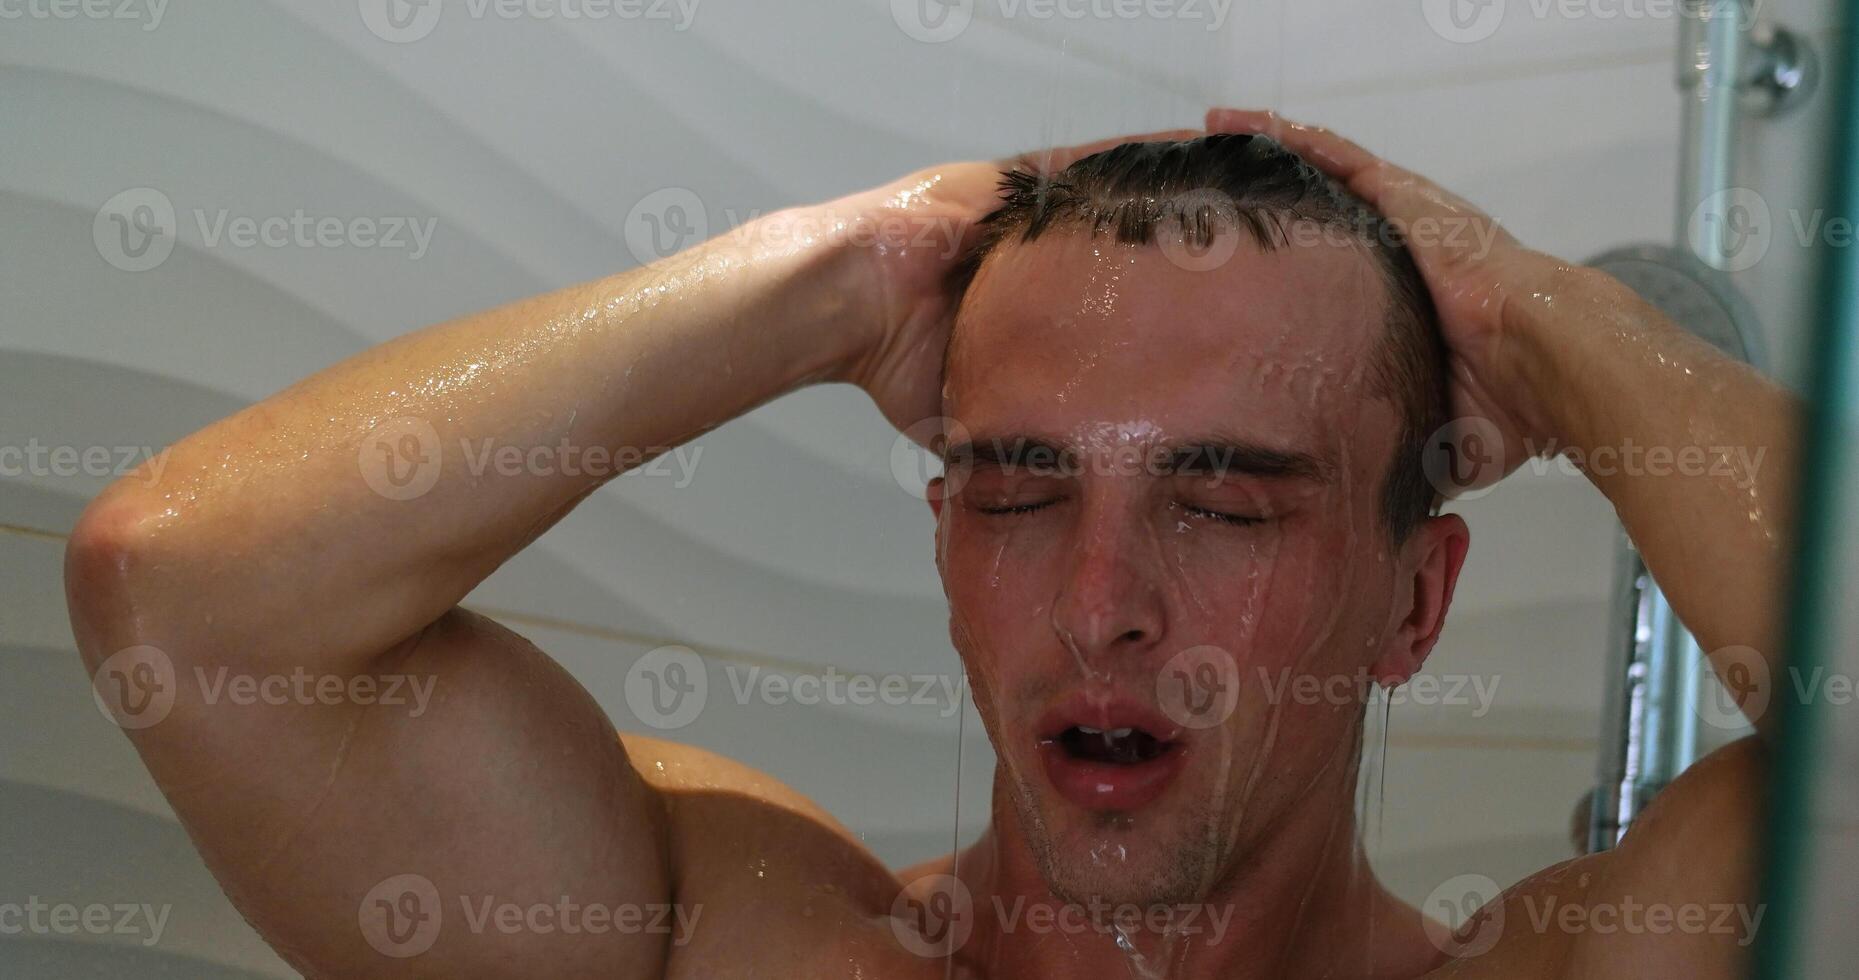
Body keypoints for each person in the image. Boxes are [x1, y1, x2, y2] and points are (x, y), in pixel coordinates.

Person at [66, 109, 1790, 979]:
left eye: (1224, 501)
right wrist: (832, 280)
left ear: (1413, 599)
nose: (1103, 608)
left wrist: (1543, 321)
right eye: (1021, 492)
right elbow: (193, 600)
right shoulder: (724, 932)